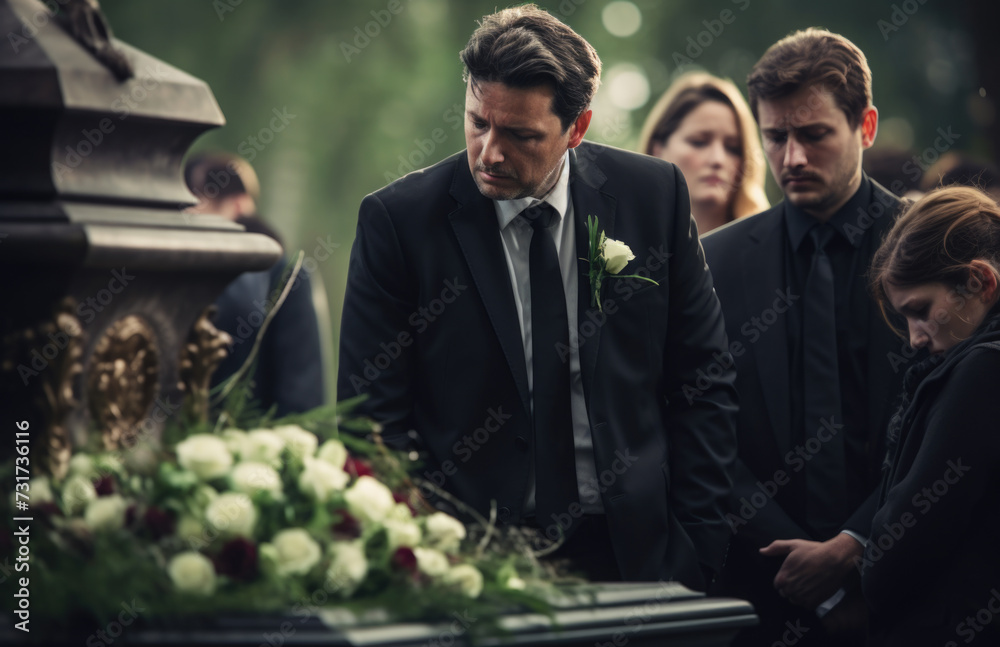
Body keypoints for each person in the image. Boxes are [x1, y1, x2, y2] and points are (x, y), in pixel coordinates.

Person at [338, 5, 737, 588]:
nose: (489, 152)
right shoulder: (398, 223)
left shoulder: (654, 196)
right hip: (466, 566)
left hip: (636, 557)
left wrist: (698, 549)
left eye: (520, 135)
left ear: (577, 129)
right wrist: (418, 557)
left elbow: (704, 381)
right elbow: (370, 420)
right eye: (478, 122)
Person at [701, 28, 916, 645]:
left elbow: (952, 426)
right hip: (760, 593)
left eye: (814, 134)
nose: (791, 158)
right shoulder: (713, 263)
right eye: (775, 137)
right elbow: (700, 427)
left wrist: (856, 545)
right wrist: (799, 562)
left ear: (865, 126)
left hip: (914, 588)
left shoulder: (933, 248)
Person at [864, 186, 1000, 645]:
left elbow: (908, 538)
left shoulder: (982, 370)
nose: (915, 339)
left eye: (920, 311)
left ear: (980, 281)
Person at [185, 152, 325, 417]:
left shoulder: (284, 276)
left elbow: (302, 398)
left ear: (239, 205)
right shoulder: (169, 272)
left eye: (200, 198)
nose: (189, 212)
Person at [638, 71, 769, 234]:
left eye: (732, 148)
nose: (718, 159)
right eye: (699, 142)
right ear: (657, 150)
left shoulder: (773, 243)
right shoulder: (617, 239)